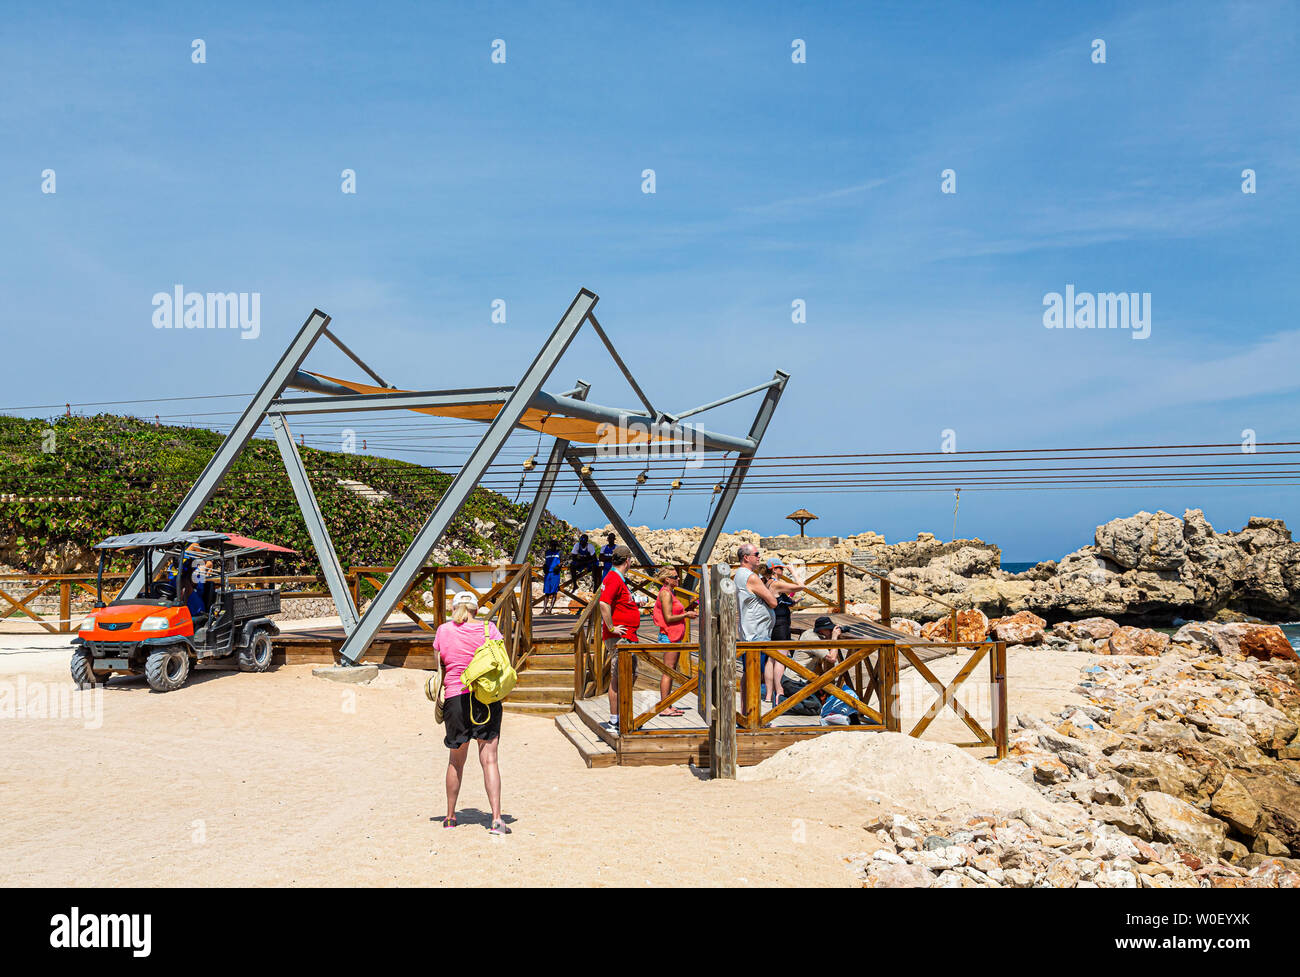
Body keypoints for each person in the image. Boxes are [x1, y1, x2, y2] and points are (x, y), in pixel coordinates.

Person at [434, 590, 510, 835]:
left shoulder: (443, 631)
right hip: (484, 699)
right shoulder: (490, 630)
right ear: (476, 609)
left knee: (456, 761)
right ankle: (496, 819)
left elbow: (440, 667)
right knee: (489, 760)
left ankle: (450, 816)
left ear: (453, 608)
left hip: (455, 698)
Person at [599, 545, 640, 731]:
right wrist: (611, 627)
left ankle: (622, 717)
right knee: (618, 678)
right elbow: (604, 603)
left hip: (627, 636)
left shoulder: (615, 578)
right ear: (628, 561)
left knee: (629, 675)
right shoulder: (614, 578)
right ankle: (615, 720)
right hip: (620, 638)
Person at [651, 566, 698, 717]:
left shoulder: (670, 593)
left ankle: (668, 704)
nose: (678, 579)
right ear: (667, 580)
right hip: (669, 636)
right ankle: (664, 706)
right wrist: (686, 615)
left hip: (675, 635)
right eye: (675, 577)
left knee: (671, 671)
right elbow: (668, 618)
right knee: (668, 671)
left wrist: (688, 609)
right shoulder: (665, 594)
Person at [760, 556, 805, 710]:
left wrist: (792, 603)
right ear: (774, 569)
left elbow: (777, 601)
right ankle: (779, 690)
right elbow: (801, 586)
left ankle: (768, 695)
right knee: (780, 657)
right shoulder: (777, 584)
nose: (782, 570)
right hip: (781, 624)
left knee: (770, 659)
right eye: (780, 568)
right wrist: (793, 572)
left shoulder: (765, 582)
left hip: (770, 623)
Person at [780, 615, 843, 716]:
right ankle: (781, 704)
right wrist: (834, 638)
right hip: (794, 682)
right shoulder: (813, 640)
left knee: (816, 702)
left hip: (793, 680)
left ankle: (787, 702)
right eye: (830, 630)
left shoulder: (809, 633)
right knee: (817, 707)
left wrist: (829, 637)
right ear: (822, 630)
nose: (831, 632)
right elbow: (832, 659)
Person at [541, 541, 562, 614]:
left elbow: (562, 561)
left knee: (554, 592)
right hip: (548, 573)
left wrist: (558, 566)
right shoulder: (547, 552)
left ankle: (550, 609)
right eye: (552, 545)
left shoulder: (559, 552)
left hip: (555, 574)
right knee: (546, 592)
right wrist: (545, 566)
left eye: (554, 545)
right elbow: (546, 561)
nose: (553, 546)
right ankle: (544, 609)